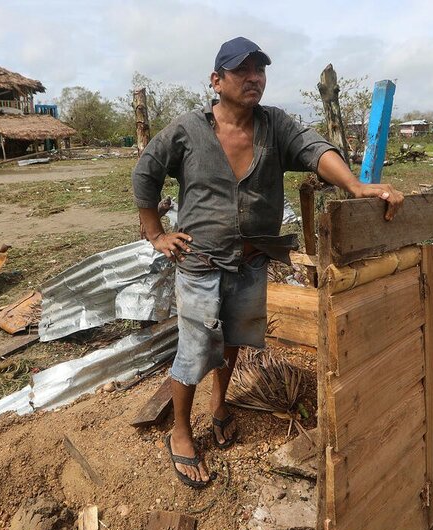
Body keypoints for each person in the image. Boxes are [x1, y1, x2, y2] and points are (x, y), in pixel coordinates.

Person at [132, 36, 404, 488]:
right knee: (195, 348)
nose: (254, 77)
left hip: (253, 257)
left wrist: (355, 186)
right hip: (199, 261)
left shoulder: (275, 125)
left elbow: (317, 150)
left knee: (234, 339)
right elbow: (146, 171)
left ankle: (219, 405)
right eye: (242, 70)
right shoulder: (187, 130)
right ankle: (181, 431)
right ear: (217, 80)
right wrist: (156, 233)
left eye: (260, 70)